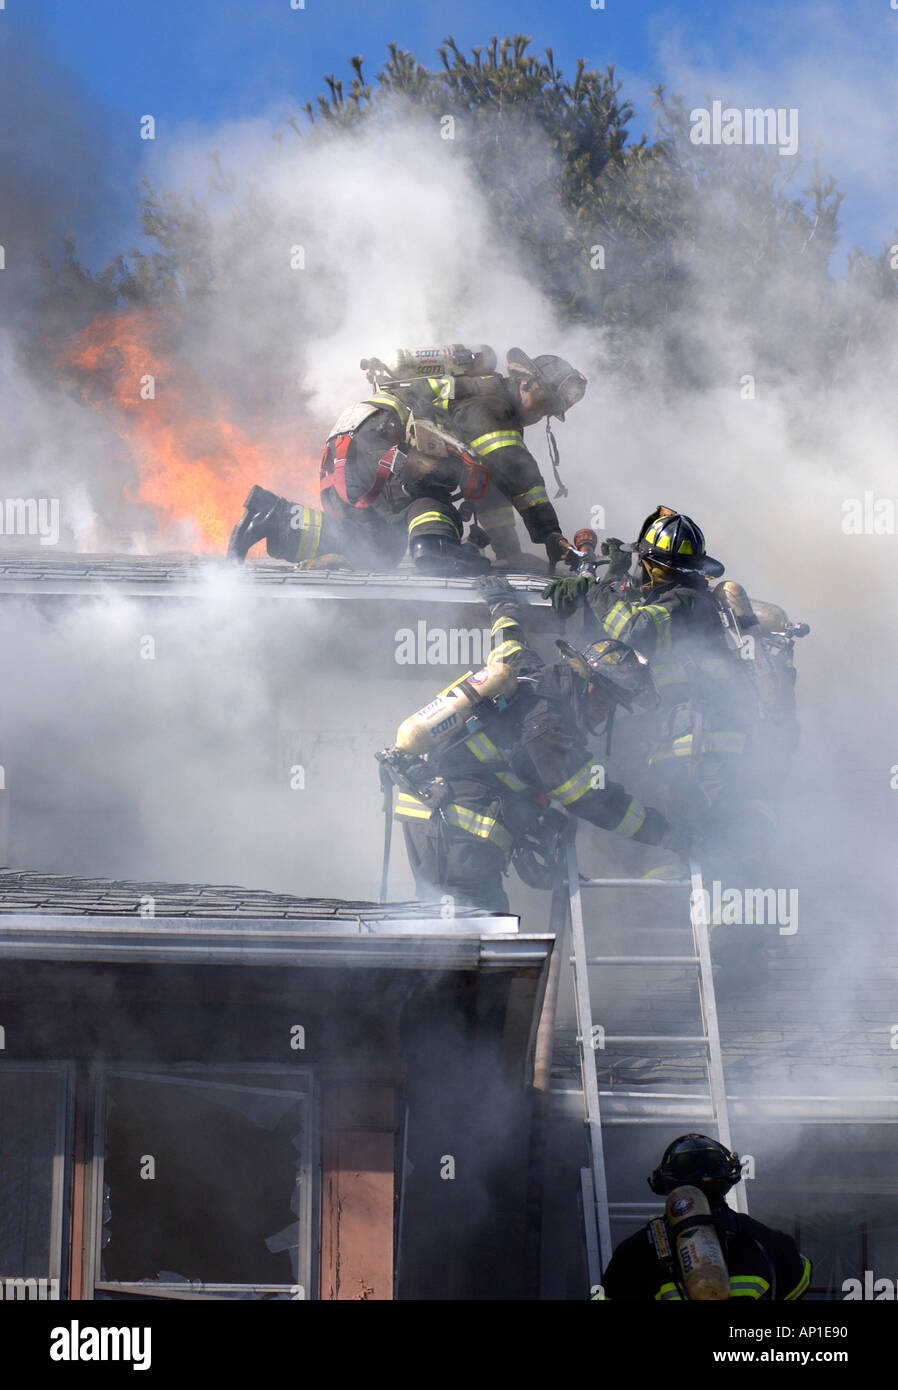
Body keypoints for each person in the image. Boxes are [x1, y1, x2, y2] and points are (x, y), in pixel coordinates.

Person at [377, 572, 673, 913]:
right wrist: (663, 833)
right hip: (456, 828)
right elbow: (596, 799)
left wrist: (502, 604)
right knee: (473, 935)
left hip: (441, 818)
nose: (602, 714)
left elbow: (509, 645)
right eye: (603, 702)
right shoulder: (548, 724)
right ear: (586, 682)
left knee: (475, 931)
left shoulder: (533, 674)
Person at [227, 348, 587, 576]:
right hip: (383, 443)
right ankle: (436, 550)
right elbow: (515, 470)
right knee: (434, 491)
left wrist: (511, 553)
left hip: (356, 442)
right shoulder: (493, 400)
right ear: (523, 381)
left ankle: (272, 517)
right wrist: (550, 532)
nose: (541, 415)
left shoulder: (489, 401)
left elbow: (493, 491)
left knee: (376, 549)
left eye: (551, 411)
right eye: (543, 402)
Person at [544, 508, 764, 877]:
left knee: (713, 838)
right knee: (689, 833)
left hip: (701, 742)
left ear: (655, 564)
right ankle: (688, 898)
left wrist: (599, 589)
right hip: (688, 741)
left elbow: (632, 631)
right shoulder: (680, 600)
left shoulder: (687, 603)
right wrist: (614, 581)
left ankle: (727, 918)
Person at [598, 1133, 812, 1301]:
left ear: (665, 1184)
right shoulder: (764, 1240)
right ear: (729, 1178)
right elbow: (800, 1279)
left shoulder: (637, 1250)